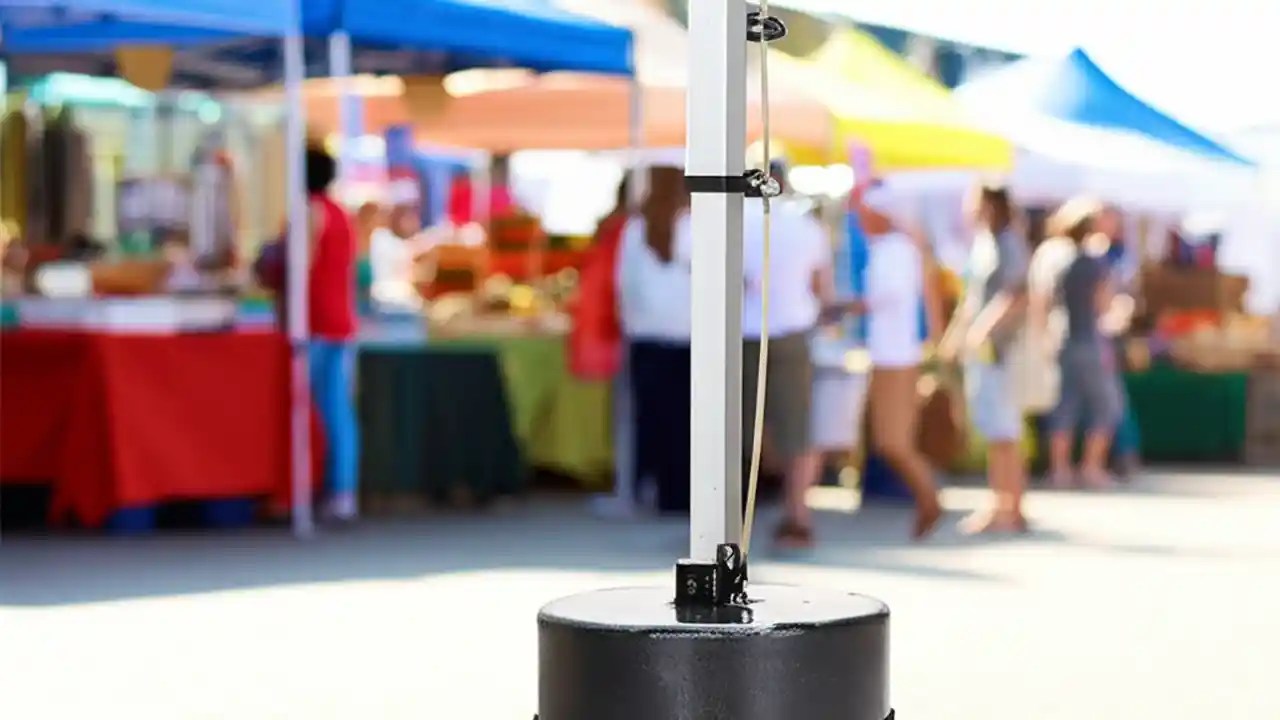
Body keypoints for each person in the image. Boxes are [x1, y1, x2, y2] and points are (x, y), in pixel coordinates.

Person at [740, 161, 833, 549]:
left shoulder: (734, 221)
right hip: (792, 332)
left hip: (744, 332)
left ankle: (736, 513)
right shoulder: (806, 226)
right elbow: (822, 287)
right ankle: (797, 514)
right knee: (797, 427)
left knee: (742, 427)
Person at [857, 183, 944, 539]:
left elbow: (882, 298)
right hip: (892, 353)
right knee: (889, 440)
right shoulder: (900, 248)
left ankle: (930, 500)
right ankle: (928, 500)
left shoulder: (892, 250)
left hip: (895, 356)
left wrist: (838, 306)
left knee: (893, 441)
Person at [941, 183, 1030, 534]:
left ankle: (1011, 506)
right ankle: (1001, 503)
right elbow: (972, 298)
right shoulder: (984, 243)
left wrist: (982, 328)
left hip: (1000, 351)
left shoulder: (1008, 243)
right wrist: (956, 336)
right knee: (995, 429)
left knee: (1004, 429)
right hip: (982, 350)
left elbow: (1016, 292)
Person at [617, 166, 692, 514]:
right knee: (684, 421)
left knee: (649, 419)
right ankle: (679, 493)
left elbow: (623, 285)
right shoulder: (696, 227)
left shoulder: (635, 229)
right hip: (688, 338)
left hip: (645, 338)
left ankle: (646, 488)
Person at [1040, 199, 1126, 489]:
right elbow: (1105, 306)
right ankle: (1091, 467)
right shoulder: (1095, 263)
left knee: (1065, 405)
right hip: (1090, 341)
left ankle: (1060, 470)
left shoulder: (1059, 263)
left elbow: (1045, 303)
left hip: (1064, 341)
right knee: (1106, 406)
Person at [304, 144, 360, 522]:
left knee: (320, 410)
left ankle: (330, 487)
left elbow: (301, 265)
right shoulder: (341, 214)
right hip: (338, 321)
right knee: (338, 409)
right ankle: (342, 488)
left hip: (317, 322)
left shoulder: (312, 212)